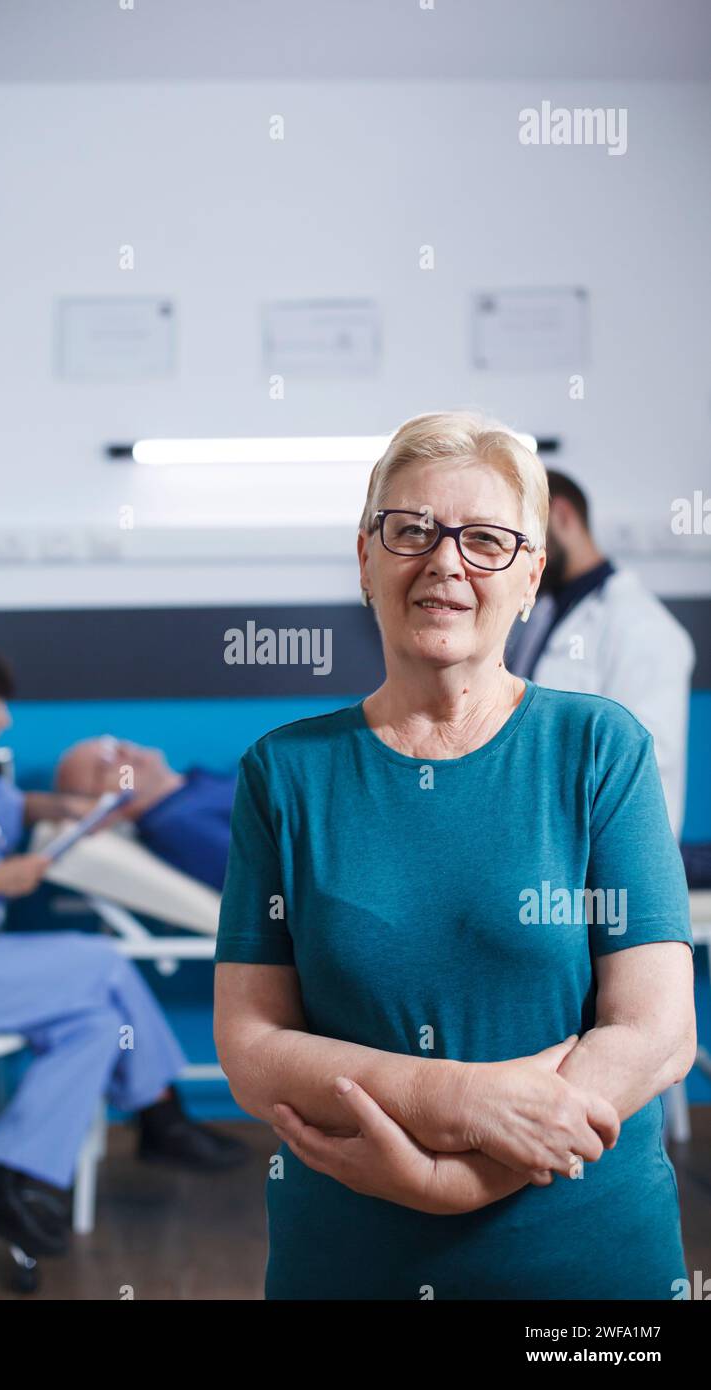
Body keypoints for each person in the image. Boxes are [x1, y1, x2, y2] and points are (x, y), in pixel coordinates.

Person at [213, 411, 696, 1300]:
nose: (445, 562)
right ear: (365, 558)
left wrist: (459, 1181)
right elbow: (249, 1044)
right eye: (411, 531)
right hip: (351, 1262)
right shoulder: (284, 773)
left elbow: (656, 1031)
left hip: (587, 1265)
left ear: (530, 575)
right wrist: (460, 1100)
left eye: (485, 540)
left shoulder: (598, 748)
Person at [0, 644, 245, 1259]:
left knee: (93, 1028)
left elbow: (19, 807)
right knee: (101, 962)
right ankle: (161, 1114)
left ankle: (5, 1177)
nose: (5, 718)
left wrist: (72, 809)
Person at [507, 470, 695, 837]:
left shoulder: (642, 627)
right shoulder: (543, 612)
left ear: (560, 517)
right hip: (543, 841)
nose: (518, 553)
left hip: (608, 853)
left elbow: (643, 762)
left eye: (524, 536)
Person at [53, 738, 235, 892]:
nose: (124, 751)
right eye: (105, 765)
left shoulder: (198, 790)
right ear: (99, 807)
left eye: (113, 746)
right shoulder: (179, 824)